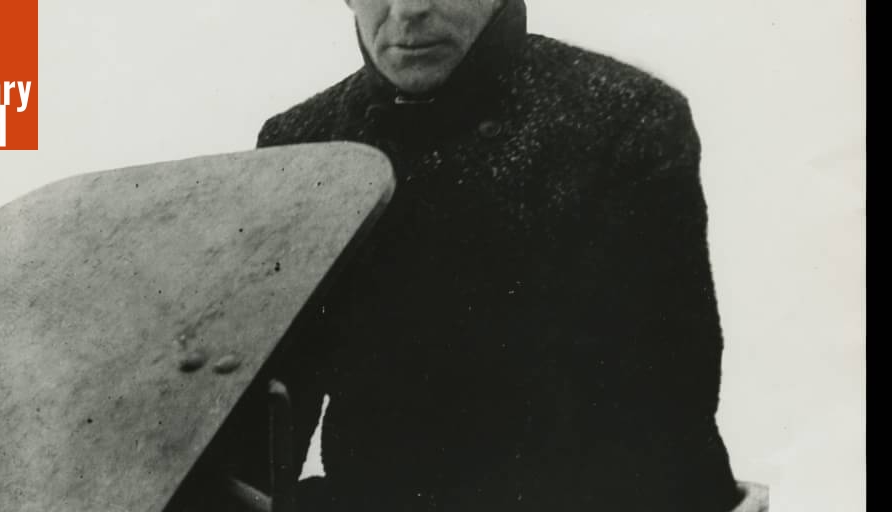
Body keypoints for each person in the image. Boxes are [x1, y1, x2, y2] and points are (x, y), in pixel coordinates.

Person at [250, 1, 750, 510]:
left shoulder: (623, 122)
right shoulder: (297, 148)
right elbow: (255, 442)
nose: (409, 10)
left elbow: (659, 433)